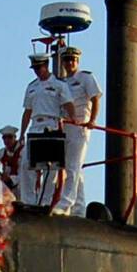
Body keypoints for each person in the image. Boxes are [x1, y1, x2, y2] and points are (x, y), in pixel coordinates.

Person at [19, 52, 77, 212]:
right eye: (35, 68)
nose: (37, 71)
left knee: (50, 168)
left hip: (51, 125)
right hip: (35, 126)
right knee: (26, 165)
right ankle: (29, 201)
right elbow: (27, 111)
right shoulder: (32, 86)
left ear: (46, 65)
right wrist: (21, 134)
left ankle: (45, 203)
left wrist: (74, 119)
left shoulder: (59, 84)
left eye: (39, 67)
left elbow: (68, 103)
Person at [59, 46, 102, 218]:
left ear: (77, 61)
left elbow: (95, 98)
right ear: (63, 62)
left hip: (80, 126)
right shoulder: (62, 82)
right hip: (66, 127)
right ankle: (79, 208)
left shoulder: (85, 78)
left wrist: (92, 120)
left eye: (73, 60)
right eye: (67, 60)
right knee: (75, 168)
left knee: (73, 166)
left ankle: (66, 203)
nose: (70, 63)